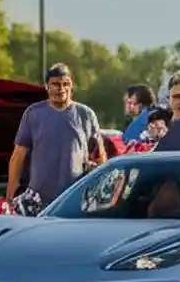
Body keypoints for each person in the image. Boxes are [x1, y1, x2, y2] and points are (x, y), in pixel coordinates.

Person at [6, 63, 105, 207]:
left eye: (66, 84)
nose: (61, 89)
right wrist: (12, 189)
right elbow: (18, 155)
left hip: (75, 196)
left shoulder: (86, 115)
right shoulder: (33, 113)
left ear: (72, 86)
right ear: (46, 86)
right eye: (55, 84)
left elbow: (100, 155)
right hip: (38, 199)